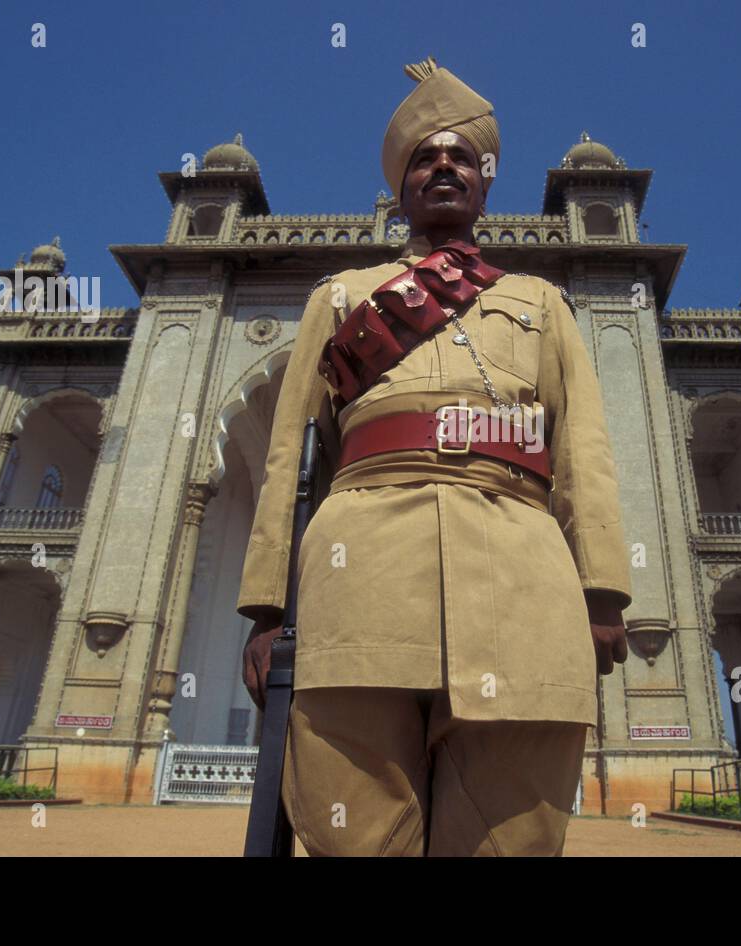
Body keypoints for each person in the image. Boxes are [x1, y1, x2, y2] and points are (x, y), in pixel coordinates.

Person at [237, 56, 632, 856]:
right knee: (357, 835)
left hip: (522, 572)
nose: (444, 166)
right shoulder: (342, 299)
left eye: (461, 157)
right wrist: (268, 611)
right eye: (425, 156)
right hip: (360, 576)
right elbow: (289, 457)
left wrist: (603, 595)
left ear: (485, 187)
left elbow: (584, 450)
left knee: (508, 839)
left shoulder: (541, 304)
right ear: (401, 187)